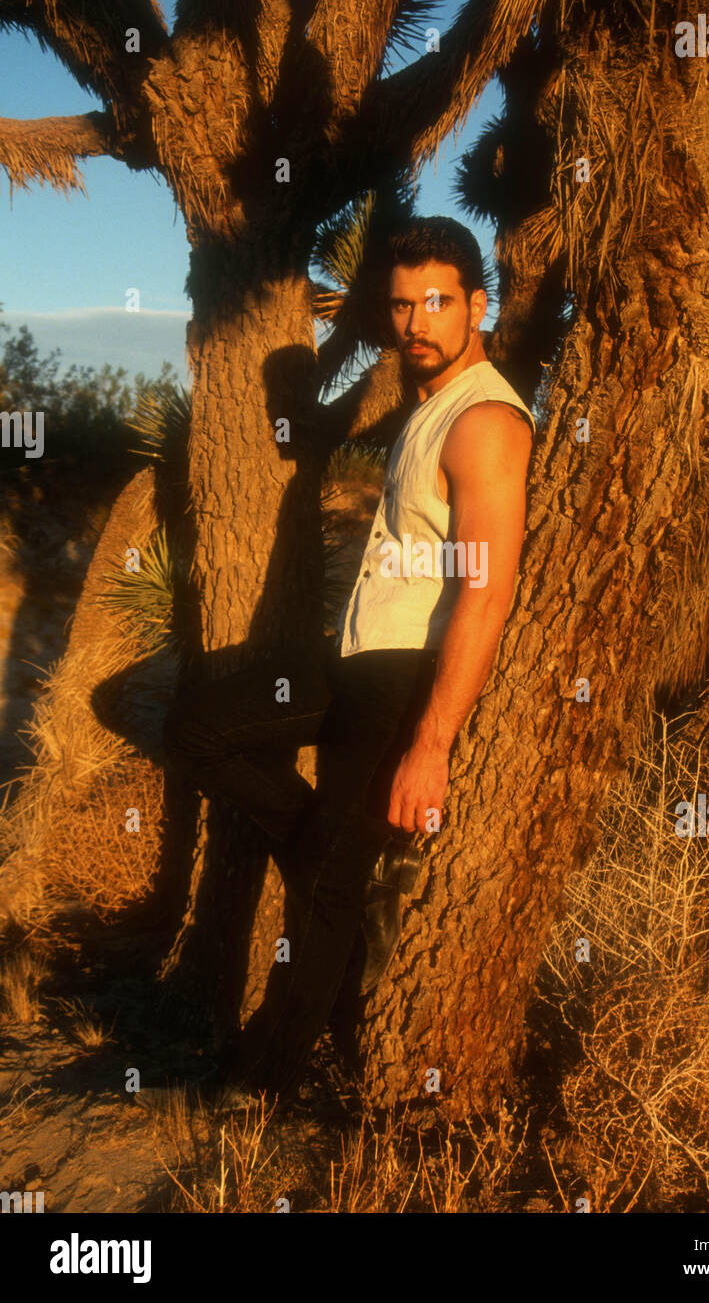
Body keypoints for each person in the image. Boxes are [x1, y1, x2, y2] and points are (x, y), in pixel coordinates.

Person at [162, 215, 535, 1100]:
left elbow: (487, 588)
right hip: (354, 660)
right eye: (403, 305)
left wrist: (433, 745)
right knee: (200, 728)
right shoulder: (425, 408)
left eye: (438, 302)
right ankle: (322, 855)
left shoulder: (484, 421)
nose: (417, 321)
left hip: (406, 676)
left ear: (478, 306)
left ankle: (263, 1080)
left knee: (324, 895)